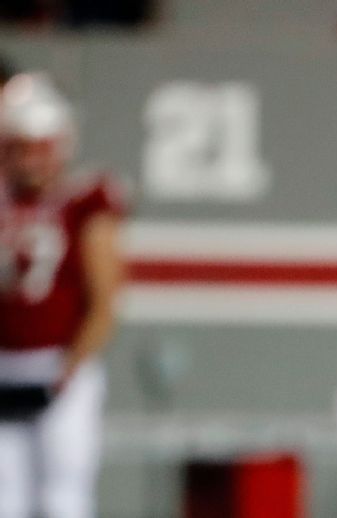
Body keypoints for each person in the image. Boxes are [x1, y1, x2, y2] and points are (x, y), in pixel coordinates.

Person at [0, 72, 126, 518]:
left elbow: (105, 300)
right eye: (20, 147)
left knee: (63, 496)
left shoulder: (84, 202)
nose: (31, 160)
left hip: (61, 365)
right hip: (4, 364)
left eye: (41, 147)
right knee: (6, 497)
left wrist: (65, 372)